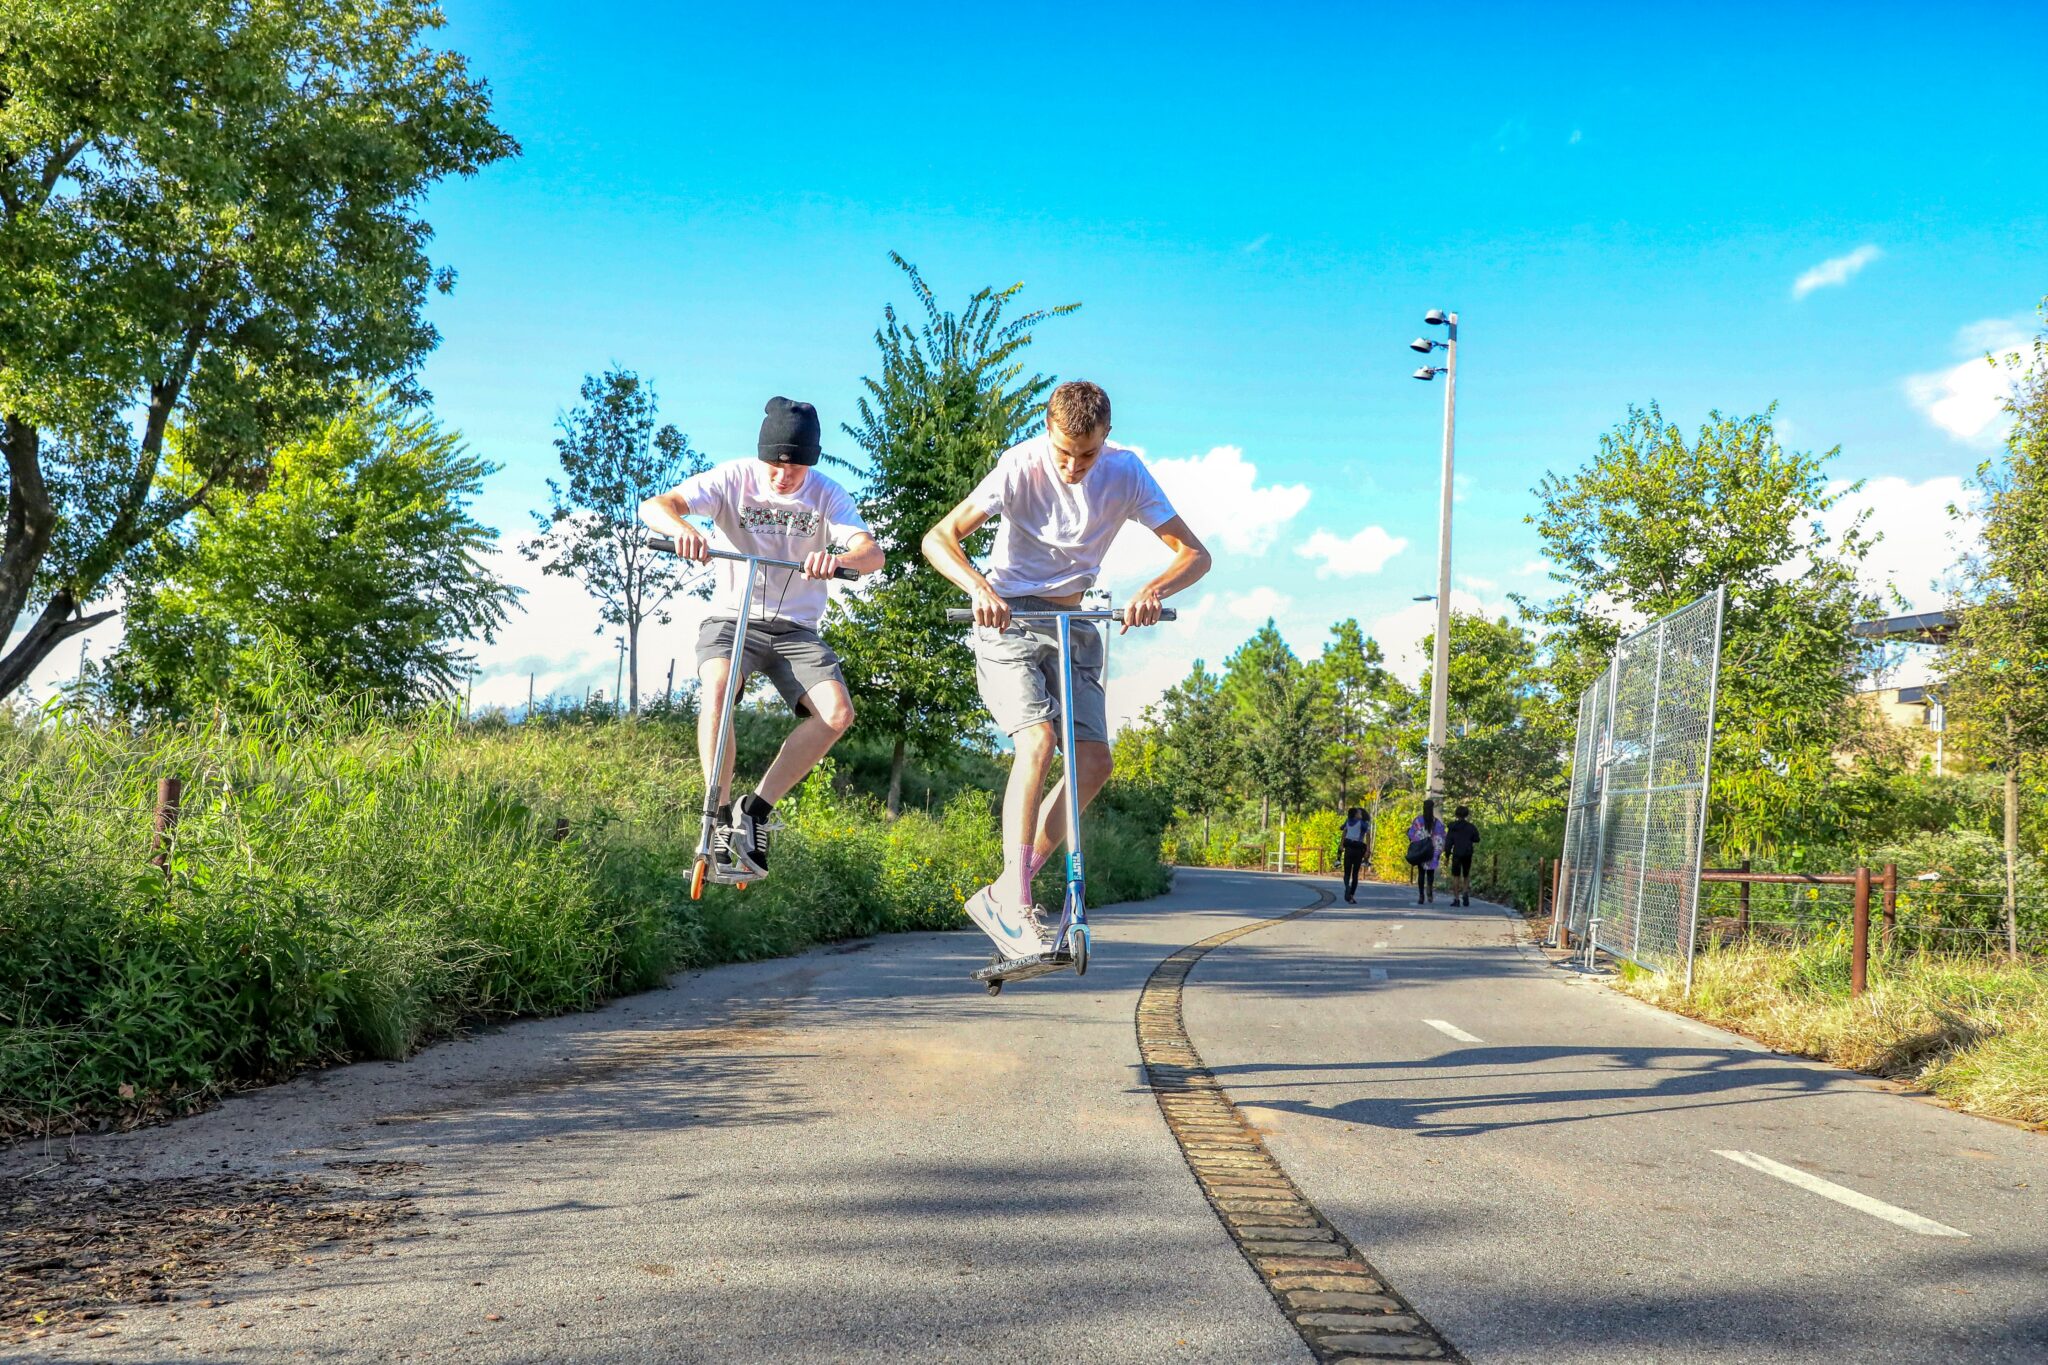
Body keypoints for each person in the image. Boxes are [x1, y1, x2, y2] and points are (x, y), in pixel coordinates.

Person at [923, 381, 1211, 958]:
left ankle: (1009, 886)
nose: (1074, 466)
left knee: (1094, 762)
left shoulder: (1126, 471)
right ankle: (1015, 901)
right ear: (1047, 431)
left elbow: (1195, 554)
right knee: (1038, 740)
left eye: (1087, 454)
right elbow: (938, 538)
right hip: (1006, 616)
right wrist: (977, 586)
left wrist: (1153, 590)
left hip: (1075, 619)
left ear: (1106, 437)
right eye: (1064, 452)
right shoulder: (1018, 466)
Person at [640, 397, 885, 879]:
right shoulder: (732, 478)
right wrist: (683, 529)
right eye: (775, 463)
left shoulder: (827, 494)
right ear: (762, 456)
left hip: (796, 629)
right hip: (734, 619)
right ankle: (716, 815)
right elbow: (656, 505)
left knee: (837, 715)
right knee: (718, 690)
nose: (783, 475)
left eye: (795, 467)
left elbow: (870, 552)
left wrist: (840, 561)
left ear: (810, 462)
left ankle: (752, 811)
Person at [1407, 799, 1446, 905]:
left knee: (1421, 873)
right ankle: (1429, 890)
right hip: (1432, 850)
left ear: (1423, 807)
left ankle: (1421, 895)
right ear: (1432, 808)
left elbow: (1411, 834)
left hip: (1421, 850)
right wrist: (1439, 850)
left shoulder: (1418, 821)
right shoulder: (1436, 822)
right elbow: (1442, 836)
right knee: (1430, 873)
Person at [1444, 804, 1481, 906]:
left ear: (1456, 815)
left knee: (1456, 876)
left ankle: (1456, 899)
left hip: (1457, 853)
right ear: (1466, 814)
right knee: (1466, 874)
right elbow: (1477, 839)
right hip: (1467, 853)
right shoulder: (1471, 827)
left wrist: (1447, 856)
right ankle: (1465, 893)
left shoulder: (1452, 827)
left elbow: (1448, 843)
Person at [1339, 805, 1372, 904]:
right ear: (1356, 815)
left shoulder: (1348, 822)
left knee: (1347, 872)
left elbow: (1343, 830)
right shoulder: (1363, 824)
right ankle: (1351, 895)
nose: (1360, 814)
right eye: (1359, 813)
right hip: (1358, 849)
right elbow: (1368, 834)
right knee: (1355, 874)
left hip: (1348, 848)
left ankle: (1347, 888)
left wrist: (1341, 845)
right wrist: (1368, 849)